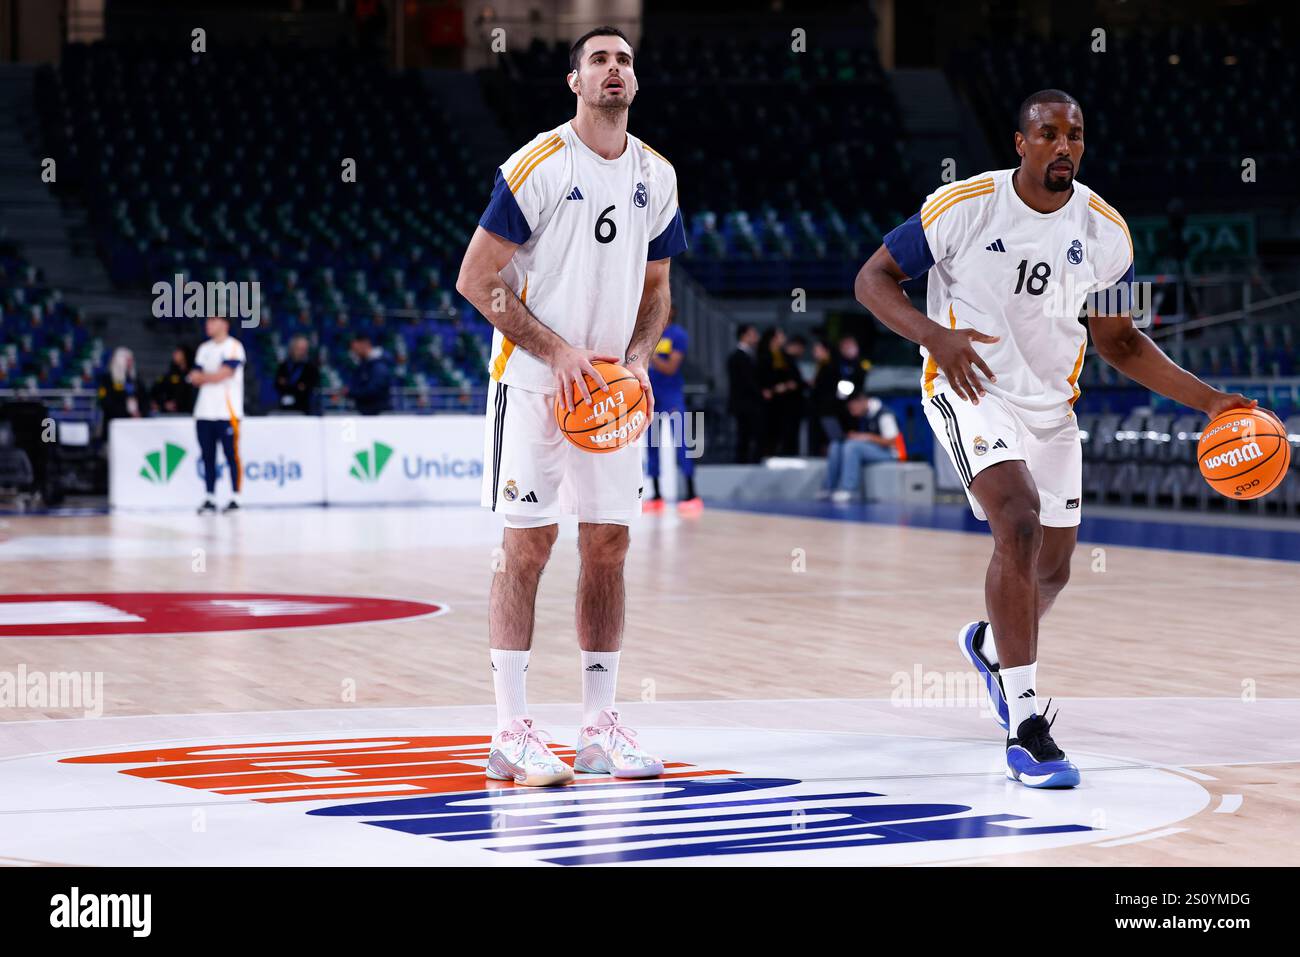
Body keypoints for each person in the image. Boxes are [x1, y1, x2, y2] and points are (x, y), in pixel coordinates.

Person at [854, 89, 1258, 789]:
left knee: (1055, 568)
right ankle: (1026, 724)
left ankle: (988, 642)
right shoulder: (964, 206)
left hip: (1051, 407)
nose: (1063, 145)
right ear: (1020, 142)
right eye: (1048, 133)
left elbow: (1122, 343)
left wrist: (1211, 400)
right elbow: (872, 279)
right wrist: (936, 337)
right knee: (1016, 524)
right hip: (968, 387)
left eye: (1075, 134)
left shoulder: (1105, 233)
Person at [455, 26, 687, 787]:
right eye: (599, 60)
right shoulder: (541, 165)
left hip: (611, 396)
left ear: (635, 82)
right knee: (527, 548)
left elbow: (657, 291)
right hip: (532, 385)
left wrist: (641, 358)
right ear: (575, 82)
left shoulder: (659, 174)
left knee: (609, 548)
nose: (613, 69)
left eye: (623, 60)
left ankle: (598, 727)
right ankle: (511, 730)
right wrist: (557, 353)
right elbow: (477, 277)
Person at [187, 316, 246, 514]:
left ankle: (236, 497)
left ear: (224, 324)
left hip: (226, 412)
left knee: (231, 455)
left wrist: (205, 377)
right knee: (207, 456)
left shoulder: (234, 347)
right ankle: (210, 497)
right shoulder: (204, 349)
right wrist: (210, 377)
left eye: (212, 321)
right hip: (204, 412)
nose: (208, 325)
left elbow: (225, 373)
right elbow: (194, 377)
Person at [644, 311, 700, 512]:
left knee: (682, 442)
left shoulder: (677, 335)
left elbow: (670, 368)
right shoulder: (648, 333)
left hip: (671, 395)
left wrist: (650, 355)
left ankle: (692, 494)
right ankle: (656, 495)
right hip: (651, 395)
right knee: (652, 443)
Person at [821, 391, 898, 503]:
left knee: (852, 447)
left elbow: (892, 441)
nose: (852, 412)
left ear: (861, 401)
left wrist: (865, 437)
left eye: (852, 408)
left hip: (889, 453)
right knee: (836, 446)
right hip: (874, 449)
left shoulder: (884, 414)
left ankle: (849, 490)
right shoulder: (865, 415)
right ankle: (829, 488)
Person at [757, 327, 801, 455]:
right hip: (770, 404)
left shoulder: (786, 357)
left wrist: (788, 385)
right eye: (780, 335)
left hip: (786, 403)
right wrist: (771, 388)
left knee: (786, 433)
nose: (783, 337)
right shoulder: (763, 356)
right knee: (769, 433)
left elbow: (795, 378)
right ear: (774, 339)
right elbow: (760, 378)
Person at [726, 323, 763, 463]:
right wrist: (760, 393)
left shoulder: (751, 355)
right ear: (743, 336)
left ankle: (748, 460)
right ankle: (742, 461)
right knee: (744, 434)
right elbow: (746, 382)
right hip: (744, 403)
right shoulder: (737, 357)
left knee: (750, 434)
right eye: (752, 334)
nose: (756, 337)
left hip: (749, 402)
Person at [97, 347, 142, 439]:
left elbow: (143, 397)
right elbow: (105, 401)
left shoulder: (134, 379)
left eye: (131, 360)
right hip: (114, 424)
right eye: (127, 360)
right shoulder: (107, 379)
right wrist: (126, 413)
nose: (130, 363)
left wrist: (140, 412)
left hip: (133, 425)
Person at [346, 333, 390, 415]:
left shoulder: (378, 365)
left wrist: (350, 392)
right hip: (366, 413)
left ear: (365, 344)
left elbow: (374, 391)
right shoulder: (362, 364)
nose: (354, 351)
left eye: (355, 348)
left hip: (377, 415)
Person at [274, 335, 320, 414]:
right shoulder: (284, 365)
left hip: (304, 409)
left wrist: (289, 385)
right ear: (292, 349)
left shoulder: (311, 368)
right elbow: (279, 384)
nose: (302, 352)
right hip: (284, 408)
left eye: (304, 349)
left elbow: (308, 387)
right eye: (299, 349)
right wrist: (297, 387)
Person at [151, 346, 196, 415]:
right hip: (172, 415)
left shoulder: (195, 373)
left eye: (178, 353)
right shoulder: (170, 374)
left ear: (185, 354)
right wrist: (163, 404)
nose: (174, 355)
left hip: (191, 413)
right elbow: (155, 391)